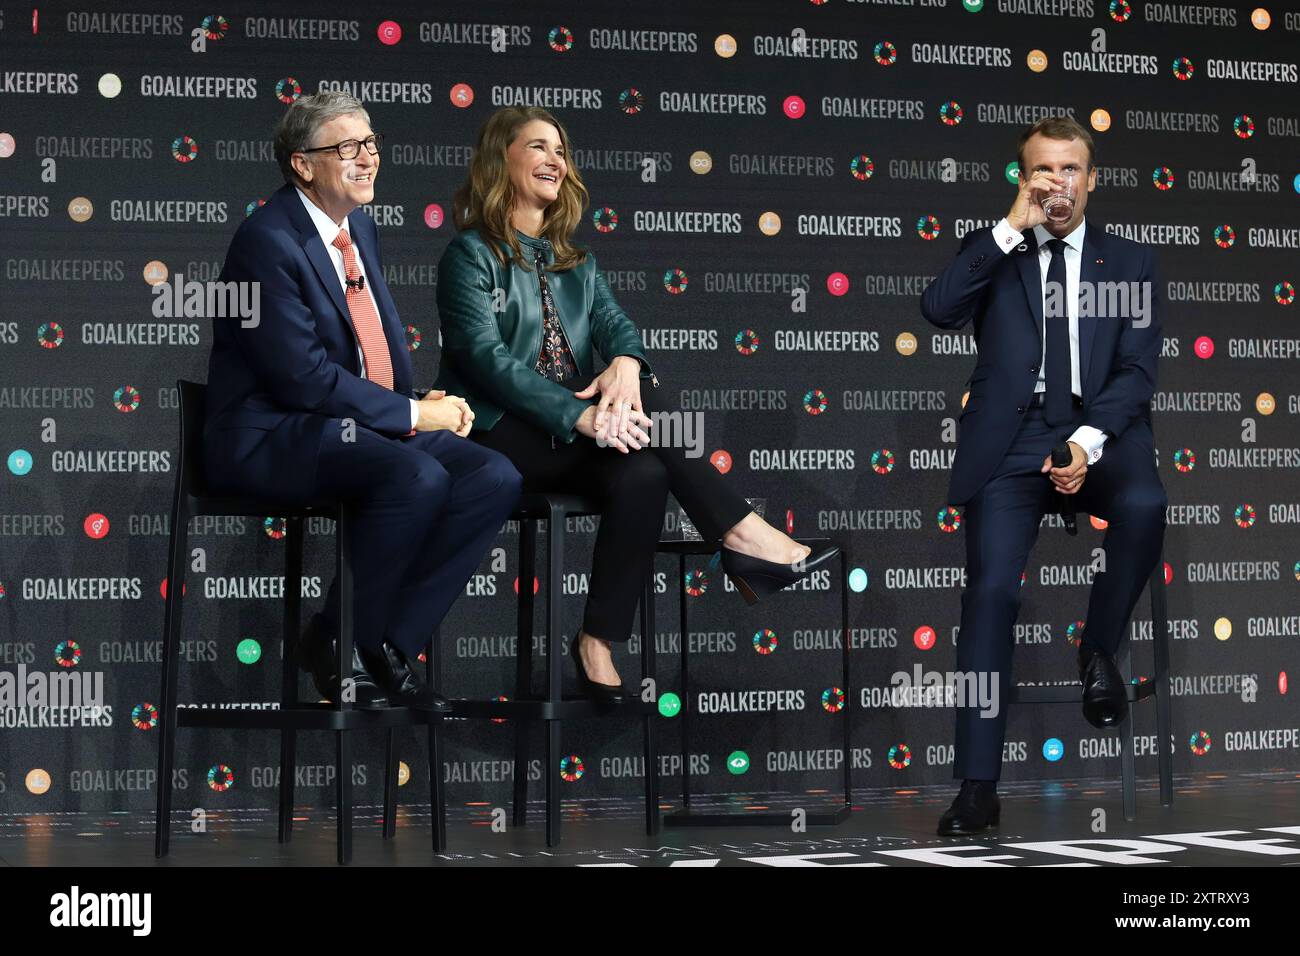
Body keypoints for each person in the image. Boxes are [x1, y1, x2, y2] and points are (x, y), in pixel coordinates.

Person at [434, 105, 838, 700]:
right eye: (538, 146)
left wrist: (624, 363)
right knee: (641, 417)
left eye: (561, 151)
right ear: (502, 159)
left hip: (570, 435)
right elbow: (484, 361)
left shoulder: (580, 265)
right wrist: (582, 414)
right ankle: (744, 534)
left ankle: (597, 639)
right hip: (498, 433)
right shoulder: (470, 254)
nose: (554, 160)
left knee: (646, 470)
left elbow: (618, 327)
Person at [203, 91, 521, 711]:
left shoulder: (359, 228)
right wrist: (410, 416)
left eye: (370, 144)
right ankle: (350, 645)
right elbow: (302, 379)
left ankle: (379, 642)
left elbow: (363, 338)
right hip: (270, 433)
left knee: (492, 474)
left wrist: (409, 397)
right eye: (347, 147)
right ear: (303, 164)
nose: (367, 158)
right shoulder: (266, 240)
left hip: (344, 424)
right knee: (418, 473)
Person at [920, 115, 1167, 834]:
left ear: (1091, 180)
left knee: (1146, 503)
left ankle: (1096, 649)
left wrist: (1086, 443)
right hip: (1011, 439)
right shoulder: (994, 250)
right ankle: (977, 786)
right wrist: (1008, 228)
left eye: (1069, 169)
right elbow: (937, 310)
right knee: (990, 592)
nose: (1056, 183)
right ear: (1023, 178)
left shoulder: (1130, 263)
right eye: (1042, 170)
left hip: (1102, 433)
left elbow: (1136, 373)